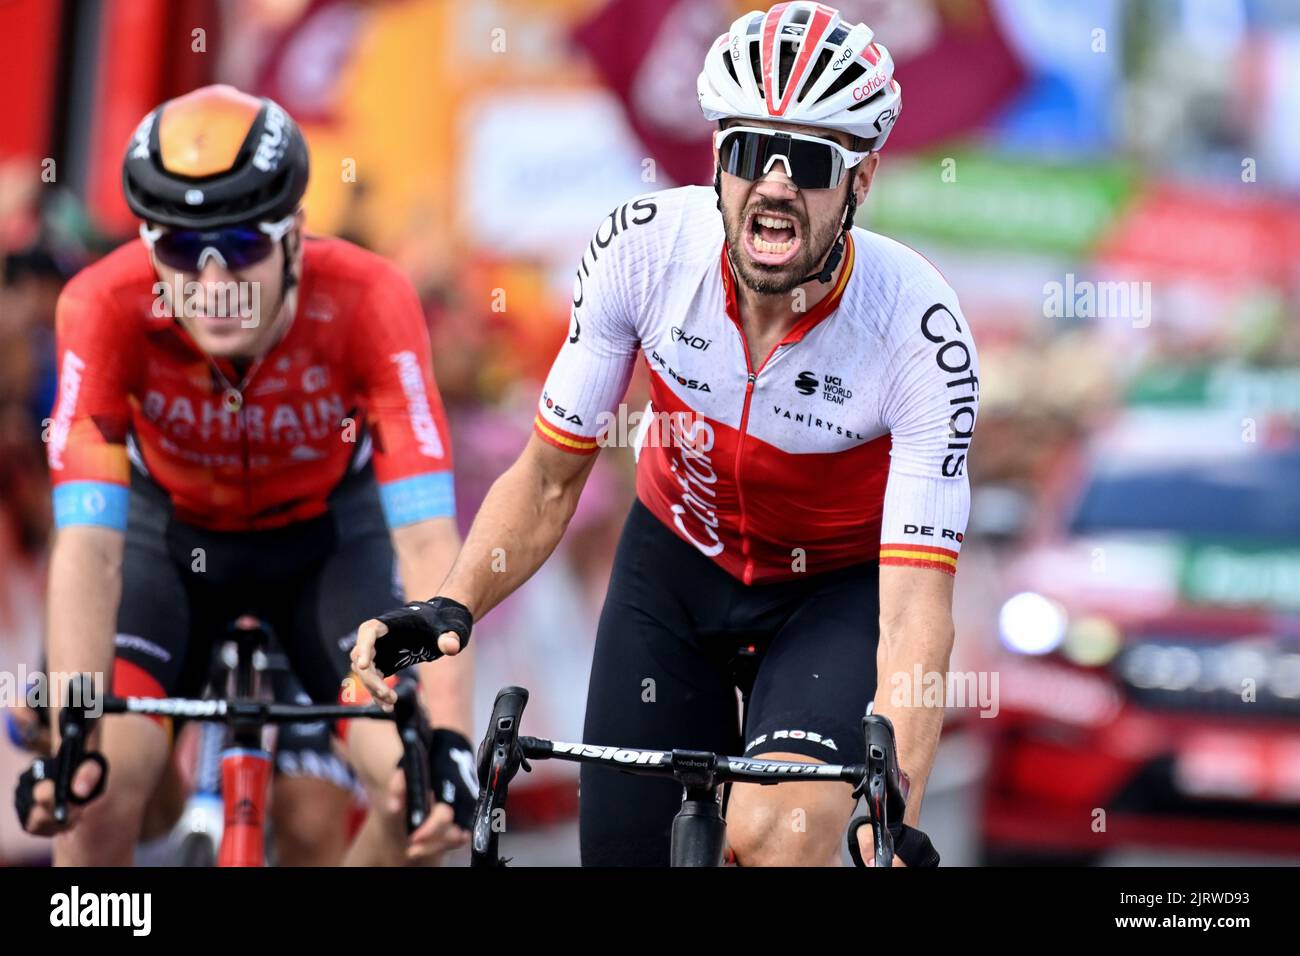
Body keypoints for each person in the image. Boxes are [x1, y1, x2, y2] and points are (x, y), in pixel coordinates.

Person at [354, 0, 978, 866]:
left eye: (807, 163)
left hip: (829, 594)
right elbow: (547, 480)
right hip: (673, 569)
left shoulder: (919, 330)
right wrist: (453, 602)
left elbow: (916, 613)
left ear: (859, 184)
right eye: (750, 154)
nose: (774, 185)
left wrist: (891, 803)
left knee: (775, 836)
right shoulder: (643, 253)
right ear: (718, 162)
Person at [14, 84, 476, 866]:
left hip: (327, 551)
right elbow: (89, 546)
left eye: (241, 244)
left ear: (294, 233)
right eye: (183, 250)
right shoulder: (102, 303)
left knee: (415, 794)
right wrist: (76, 729)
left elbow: (430, 538)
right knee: (93, 797)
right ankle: (139, 814)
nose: (214, 277)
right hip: (171, 550)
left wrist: (454, 738)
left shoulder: (370, 300)